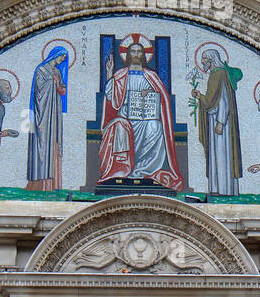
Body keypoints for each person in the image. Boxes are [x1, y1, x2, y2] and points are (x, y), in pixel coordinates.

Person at [99, 42, 182, 189]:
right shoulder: (121, 75)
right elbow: (111, 98)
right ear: (128, 55)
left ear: (143, 55)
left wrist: (150, 94)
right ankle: (122, 169)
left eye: (139, 52)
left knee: (155, 126)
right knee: (120, 127)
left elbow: (161, 98)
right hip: (126, 117)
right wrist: (109, 73)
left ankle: (144, 170)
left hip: (145, 118)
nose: (136, 54)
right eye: (133, 51)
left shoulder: (151, 76)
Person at [190, 49, 242, 196]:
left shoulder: (220, 74)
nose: (202, 62)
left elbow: (224, 99)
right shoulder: (214, 74)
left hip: (221, 123)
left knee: (222, 154)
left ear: (211, 59)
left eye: (204, 59)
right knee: (215, 155)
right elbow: (212, 99)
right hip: (214, 119)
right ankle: (216, 188)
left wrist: (220, 121)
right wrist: (200, 96)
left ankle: (226, 189)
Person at [27, 48, 69, 190]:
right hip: (43, 112)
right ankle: (39, 183)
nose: (62, 60)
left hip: (54, 111)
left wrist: (58, 85)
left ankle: (53, 184)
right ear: (55, 55)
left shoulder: (57, 71)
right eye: (61, 57)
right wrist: (52, 83)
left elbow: (62, 90)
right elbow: (38, 91)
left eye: (64, 58)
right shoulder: (41, 70)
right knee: (43, 142)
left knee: (54, 142)